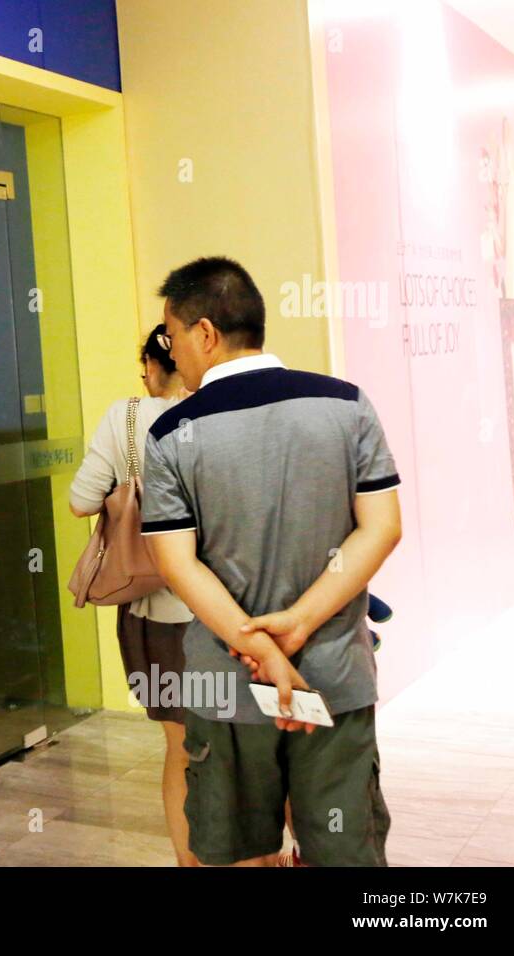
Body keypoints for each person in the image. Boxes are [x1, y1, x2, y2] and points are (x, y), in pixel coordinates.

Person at [139, 256, 402, 867]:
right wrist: (302, 623)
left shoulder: (172, 433)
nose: (171, 352)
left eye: (171, 335)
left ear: (204, 334)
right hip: (334, 676)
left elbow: (181, 567)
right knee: (344, 852)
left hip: (225, 686)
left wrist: (259, 650)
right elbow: (382, 528)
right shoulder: (348, 404)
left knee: (234, 853)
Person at [69, 325, 198, 866]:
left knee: (182, 750)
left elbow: (80, 501)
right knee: (252, 747)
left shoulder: (125, 418)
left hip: (155, 615)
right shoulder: (215, 414)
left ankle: (189, 862)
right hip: (227, 610)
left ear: (151, 364)